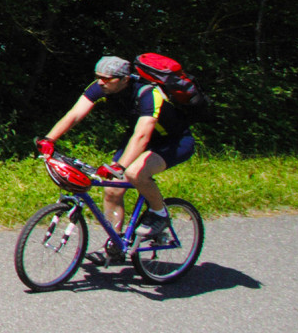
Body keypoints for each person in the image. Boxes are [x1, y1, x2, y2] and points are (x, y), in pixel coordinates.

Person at [38, 55, 194, 264]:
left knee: (134, 172)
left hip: (173, 141)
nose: (101, 81)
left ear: (124, 79)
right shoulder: (101, 87)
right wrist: (49, 139)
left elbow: (142, 135)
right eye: (98, 77)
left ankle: (160, 214)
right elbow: (75, 114)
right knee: (111, 188)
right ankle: (116, 244)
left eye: (106, 78)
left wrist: (118, 166)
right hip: (141, 139)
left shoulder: (149, 93)